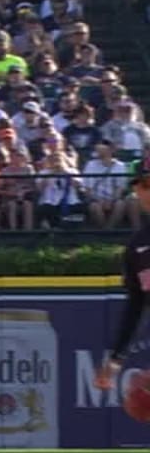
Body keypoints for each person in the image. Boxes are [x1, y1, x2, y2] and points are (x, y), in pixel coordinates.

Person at [97, 160, 150, 392]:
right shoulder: (137, 246)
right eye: (143, 186)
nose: (146, 192)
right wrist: (117, 357)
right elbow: (136, 306)